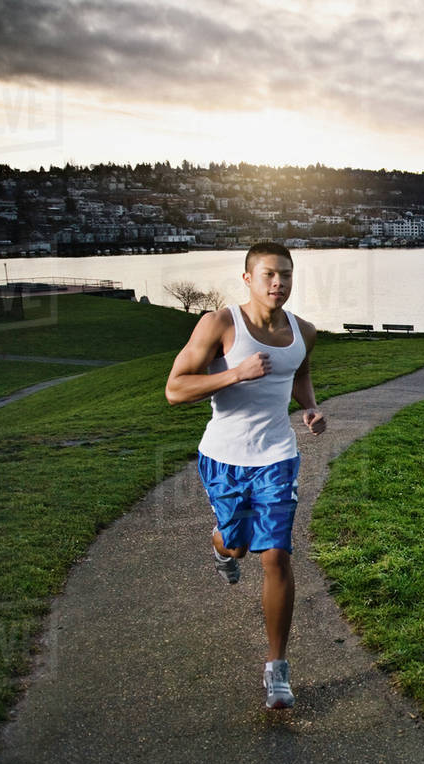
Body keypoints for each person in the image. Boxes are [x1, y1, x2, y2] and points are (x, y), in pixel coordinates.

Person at [165, 241, 326, 709]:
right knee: (238, 545)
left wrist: (311, 408)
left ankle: (277, 666)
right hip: (224, 458)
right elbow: (175, 389)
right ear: (248, 279)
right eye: (269, 275)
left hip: (277, 457)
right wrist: (233, 375)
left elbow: (298, 375)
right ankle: (221, 544)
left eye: (287, 276)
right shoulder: (219, 324)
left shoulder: (305, 332)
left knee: (275, 554)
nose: (279, 283)